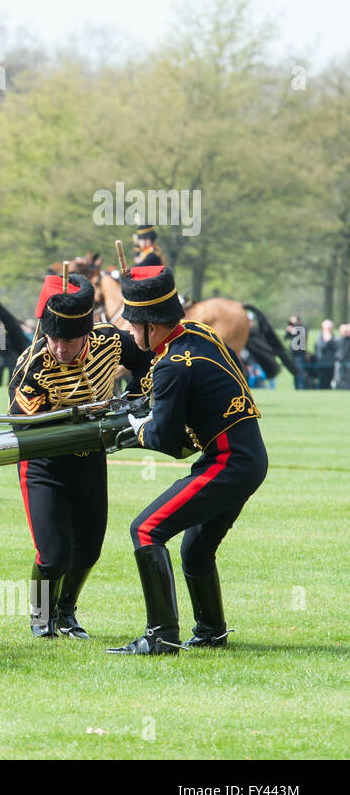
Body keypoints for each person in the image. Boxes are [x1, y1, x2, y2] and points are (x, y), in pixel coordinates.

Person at [109, 264, 268, 655]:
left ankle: (160, 636)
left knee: (146, 530)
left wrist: (130, 431)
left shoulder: (169, 367)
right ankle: (211, 630)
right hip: (247, 457)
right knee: (195, 549)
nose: (130, 332)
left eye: (133, 325)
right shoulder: (200, 332)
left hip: (228, 461)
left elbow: (162, 436)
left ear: (152, 325)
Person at [8, 272, 150, 638]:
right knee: (53, 554)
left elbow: (147, 364)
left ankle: (67, 612)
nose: (60, 348)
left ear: (87, 333)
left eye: (69, 340)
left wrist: (133, 400)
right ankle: (41, 618)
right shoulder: (33, 364)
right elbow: (22, 426)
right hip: (44, 462)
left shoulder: (112, 342)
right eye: (54, 338)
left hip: (91, 458)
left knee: (88, 550)